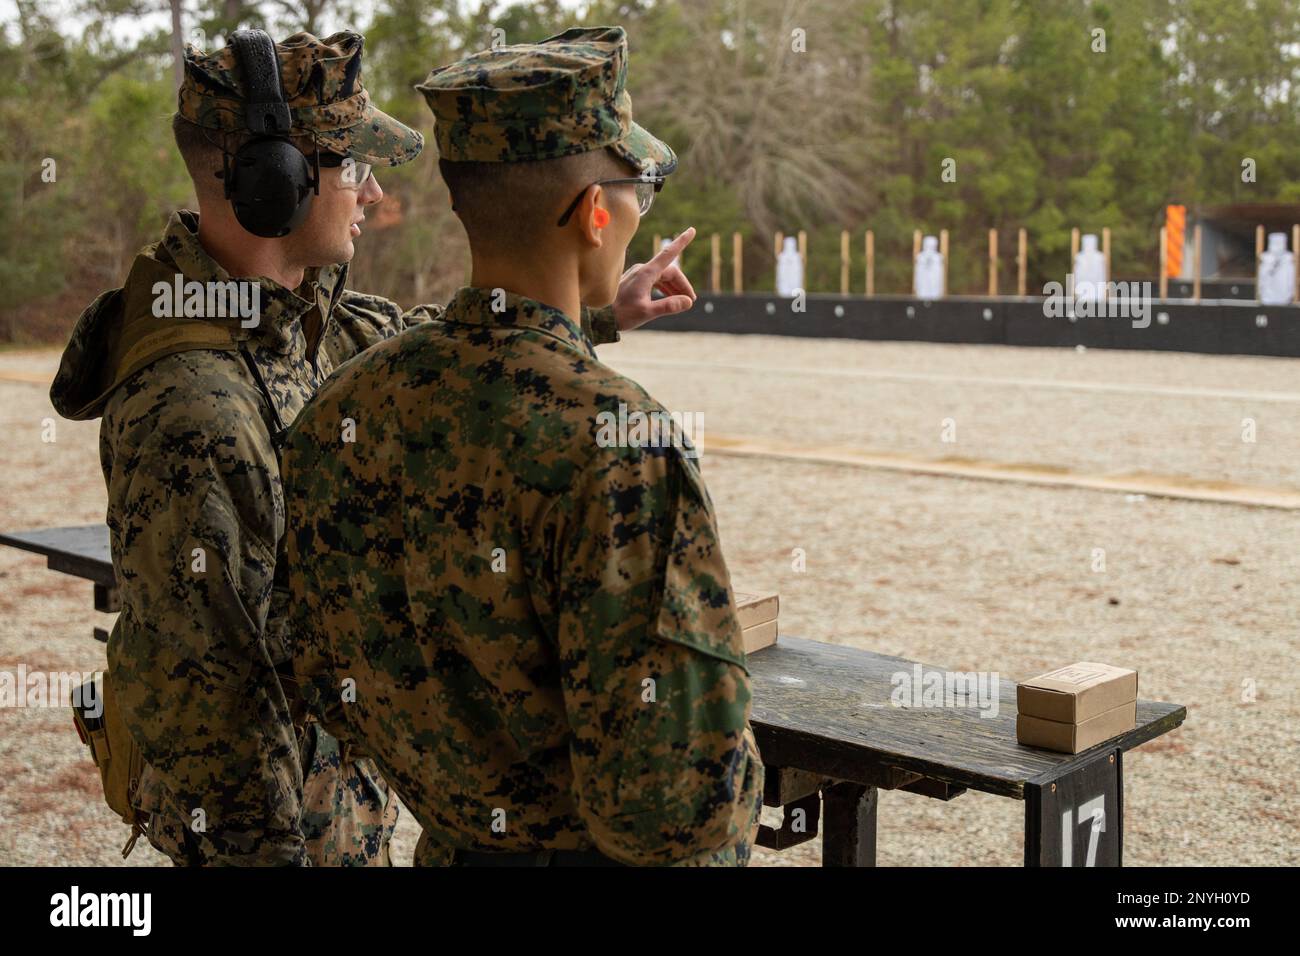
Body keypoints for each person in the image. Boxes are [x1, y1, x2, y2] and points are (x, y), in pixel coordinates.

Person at [48, 28, 678, 866]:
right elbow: (206, 697)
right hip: (281, 832)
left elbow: (419, 349)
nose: (375, 193)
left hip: (337, 801)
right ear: (276, 185)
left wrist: (596, 309)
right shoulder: (195, 408)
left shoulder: (300, 319)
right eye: (355, 167)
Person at [283, 25, 764, 867]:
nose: (641, 214)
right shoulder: (621, 445)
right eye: (638, 194)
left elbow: (317, 670)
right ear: (594, 212)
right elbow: (675, 810)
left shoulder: (345, 406)